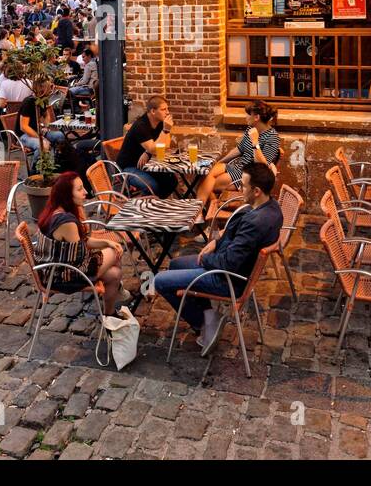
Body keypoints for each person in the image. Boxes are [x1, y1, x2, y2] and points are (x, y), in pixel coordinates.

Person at [153, 162, 283, 353]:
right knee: (175, 264)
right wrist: (216, 240)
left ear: (256, 191)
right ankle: (207, 315)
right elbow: (234, 235)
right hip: (228, 263)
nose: (239, 188)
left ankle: (203, 324)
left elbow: (228, 264)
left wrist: (205, 260)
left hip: (226, 278)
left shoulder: (256, 223)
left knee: (159, 281)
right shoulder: (270, 207)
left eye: (243, 185)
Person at [33, 172, 127, 313]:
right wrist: (109, 247)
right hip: (64, 276)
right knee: (115, 252)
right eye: (79, 189)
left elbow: (82, 242)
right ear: (66, 195)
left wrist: (107, 243)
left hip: (55, 269)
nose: (85, 192)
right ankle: (118, 294)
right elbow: (82, 256)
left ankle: (110, 315)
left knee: (114, 274)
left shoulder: (55, 210)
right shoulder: (67, 222)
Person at [195, 101, 281, 201]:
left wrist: (255, 142)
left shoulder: (272, 137)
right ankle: (211, 209)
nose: (245, 116)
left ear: (256, 117)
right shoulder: (251, 128)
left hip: (248, 175)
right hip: (237, 166)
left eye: (248, 114)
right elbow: (239, 149)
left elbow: (262, 167)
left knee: (207, 183)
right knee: (205, 172)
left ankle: (201, 213)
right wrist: (221, 161)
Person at [116, 96, 175, 197]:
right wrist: (166, 130)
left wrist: (147, 152)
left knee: (171, 181)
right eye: (164, 109)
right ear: (153, 111)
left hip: (145, 165)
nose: (167, 112)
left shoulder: (161, 123)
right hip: (128, 168)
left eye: (167, 109)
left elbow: (166, 146)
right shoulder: (141, 125)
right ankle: (144, 208)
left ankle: (155, 206)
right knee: (152, 186)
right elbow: (154, 149)